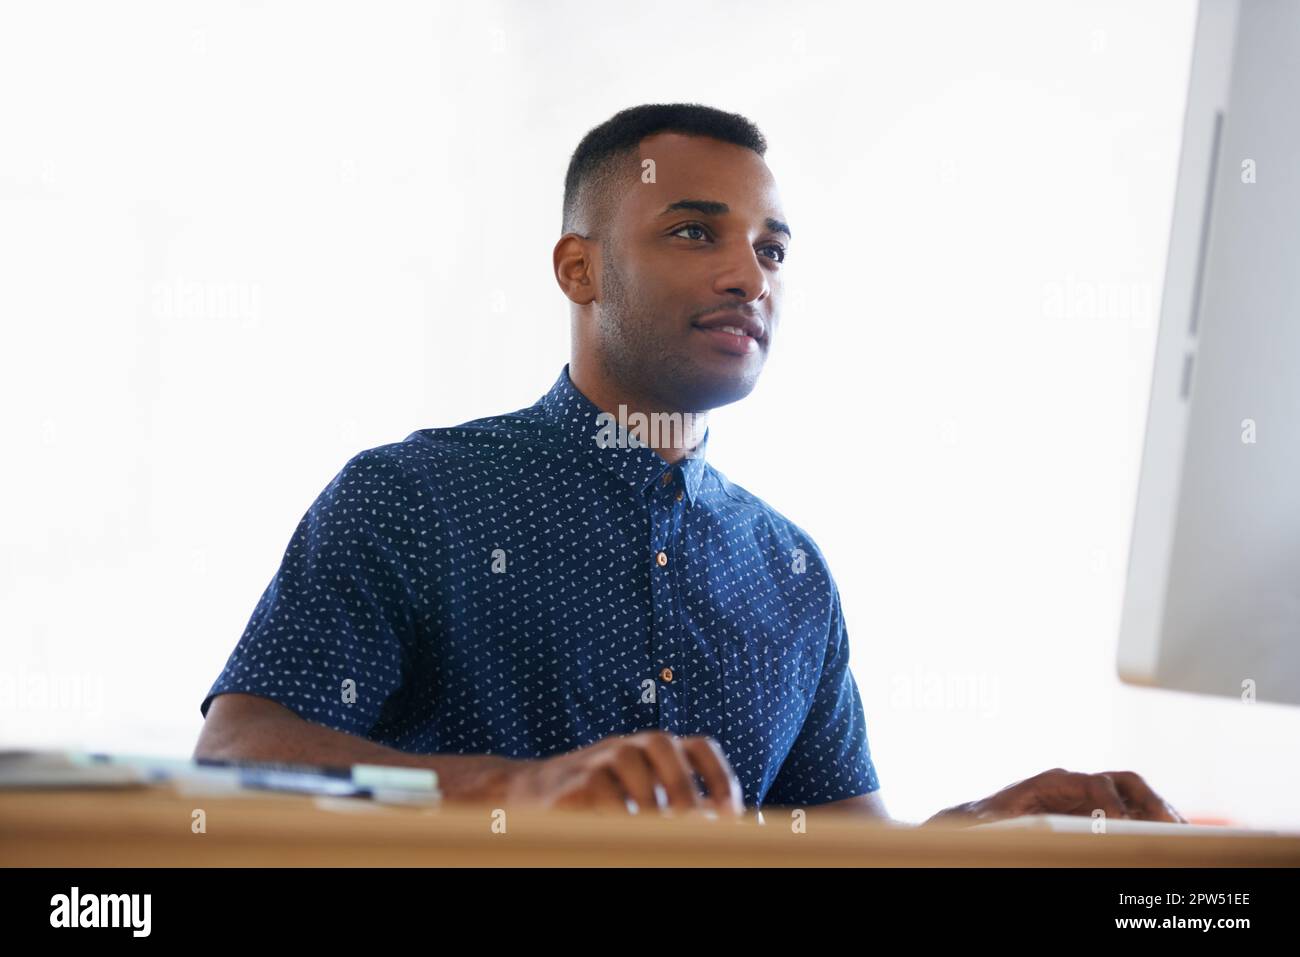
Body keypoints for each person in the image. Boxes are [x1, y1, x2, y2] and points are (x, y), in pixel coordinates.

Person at [195, 103, 1184, 826]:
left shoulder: (791, 571)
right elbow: (237, 753)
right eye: (694, 231)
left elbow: (841, 860)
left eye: (772, 249)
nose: (748, 274)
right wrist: (518, 786)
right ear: (578, 270)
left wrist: (990, 830)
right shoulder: (410, 498)